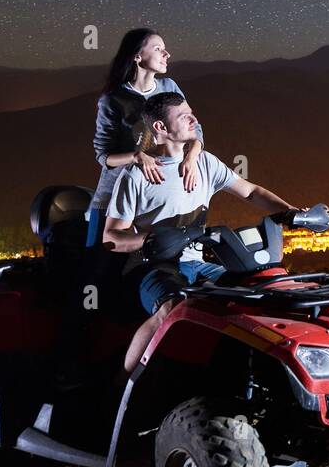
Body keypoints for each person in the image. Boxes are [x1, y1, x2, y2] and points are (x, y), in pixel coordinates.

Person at [104, 91, 295, 373]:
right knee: (172, 308)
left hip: (200, 264)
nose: (194, 118)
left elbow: (251, 192)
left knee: (263, 291)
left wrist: (291, 213)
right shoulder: (135, 176)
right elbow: (111, 238)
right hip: (154, 268)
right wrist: (153, 239)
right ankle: (127, 385)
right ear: (161, 127)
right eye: (184, 116)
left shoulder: (204, 162)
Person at [87, 28, 203, 248]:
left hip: (156, 194)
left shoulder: (169, 86)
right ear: (137, 56)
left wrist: (193, 156)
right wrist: (136, 157)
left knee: (155, 256)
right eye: (158, 49)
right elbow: (104, 156)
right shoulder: (113, 100)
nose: (166, 54)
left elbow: (194, 128)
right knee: (99, 261)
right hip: (114, 196)